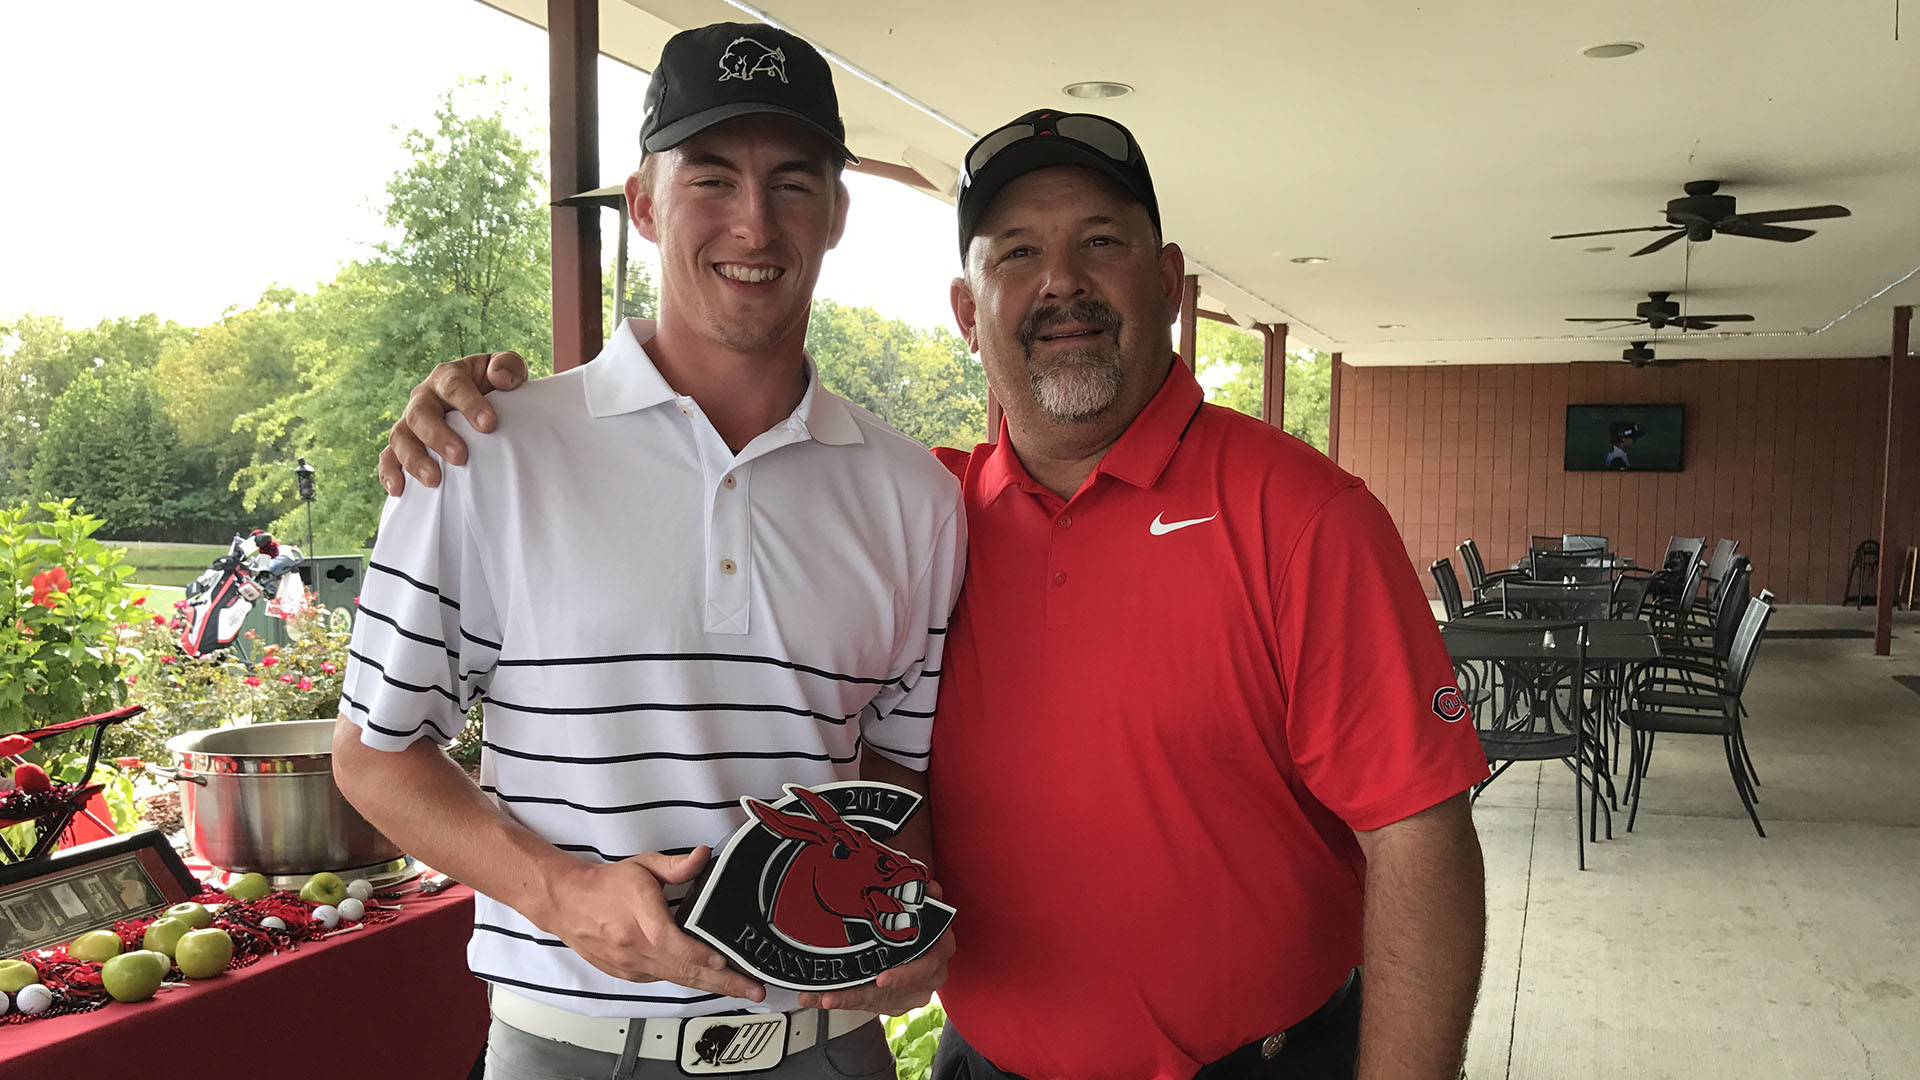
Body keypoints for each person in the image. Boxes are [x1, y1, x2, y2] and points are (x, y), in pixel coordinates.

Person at [384, 108, 1491, 1080]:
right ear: (969, 311)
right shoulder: (934, 511)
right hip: (982, 1064)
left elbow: (1421, 838)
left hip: (1257, 1066)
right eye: (1019, 252)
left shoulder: (1301, 515)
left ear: (1169, 285)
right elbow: (885, 771)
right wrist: (474, 413)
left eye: (1101, 242)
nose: (1061, 283)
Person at [335, 22, 964, 1080]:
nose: (754, 222)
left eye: (794, 184)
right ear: (643, 202)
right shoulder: (490, 448)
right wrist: (560, 893)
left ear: (839, 215)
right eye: (711, 178)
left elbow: (895, 769)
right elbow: (375, 753)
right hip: (571, 1049)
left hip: (829, 1049)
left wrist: (912, 907)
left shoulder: (915, 499)